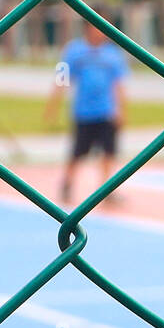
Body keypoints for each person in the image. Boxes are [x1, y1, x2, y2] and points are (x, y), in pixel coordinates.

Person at [45, 12, 128, 205]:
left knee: (108, 152)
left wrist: (121, 110)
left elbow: (118, 84)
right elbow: (62, 79)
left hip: (106, 110)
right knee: (77, 152)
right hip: (84, 111)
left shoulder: (113, 54)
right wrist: (53, 105)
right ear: (87, 27)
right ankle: (67, 184)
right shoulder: (74, 51)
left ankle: (107, 189)